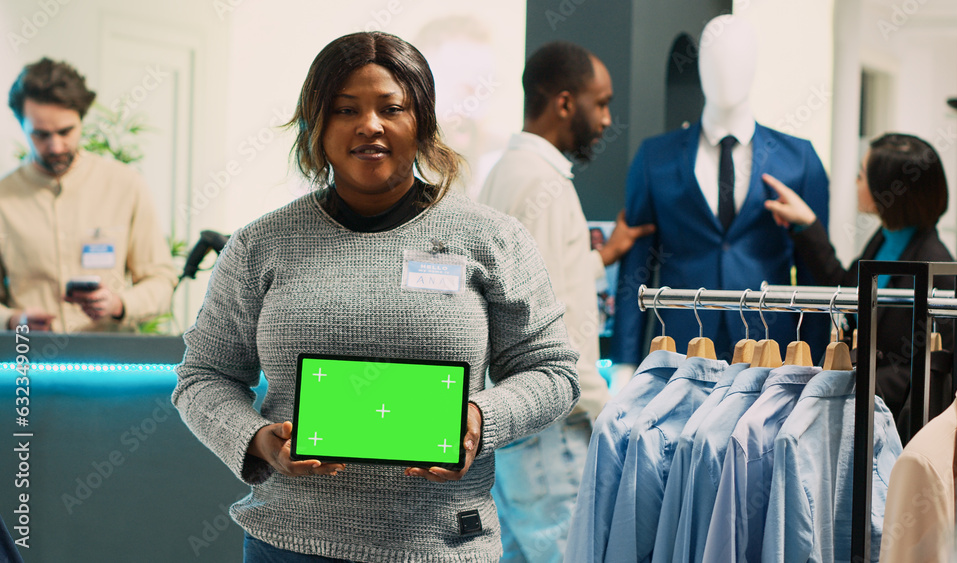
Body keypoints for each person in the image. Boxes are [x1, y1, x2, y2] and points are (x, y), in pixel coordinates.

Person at [173, 31, 580, 563]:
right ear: (317, 126)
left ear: (422, 123)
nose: (369, 125)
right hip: (289, 545)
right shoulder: (260, 245)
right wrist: (257, 439)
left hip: (443, 545)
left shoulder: (491, 239)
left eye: (392, 108)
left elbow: (553, 372)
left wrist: (481, 419)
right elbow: (202, 377)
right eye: (346, 110)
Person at [477, 41, 653, 563]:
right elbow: (558, 324)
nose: (606, 119)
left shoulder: (506, 173)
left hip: (517, 427)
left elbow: (532, 287)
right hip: (554, 429)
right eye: (601, 103)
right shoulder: (545, 186)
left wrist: (601, 257)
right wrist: (607, 413)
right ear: (564, 102)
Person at [613, 15, 830, 369]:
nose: (725, 71)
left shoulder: (799, 159)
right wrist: (624, 364)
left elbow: (814, 277)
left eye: (737, 59)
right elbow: (635, 269)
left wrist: (816, 362)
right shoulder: (654, 158)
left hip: (770, 349)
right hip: (678, 347)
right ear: (699, 66)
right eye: (714, 60)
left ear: (754, 65)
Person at [763, 132, 957, 436]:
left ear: (889, 191)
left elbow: (944, 371)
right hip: (869, 417)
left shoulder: (938, 268)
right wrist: (807, 224)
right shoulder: (883, 239)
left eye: (862, 175)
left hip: (900, 433)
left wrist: (853, 381)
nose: (856, 182)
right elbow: (848, 290)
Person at [0, 57, 176, 332]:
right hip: (29, 354)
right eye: (41, 135)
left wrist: (119, 304)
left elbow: (161, 282)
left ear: (82, 120)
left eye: (65, 131)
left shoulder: (126, 185)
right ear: (22, 125)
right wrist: (12, 320)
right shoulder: (4, 197)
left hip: (110, 354)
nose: (56, 146)